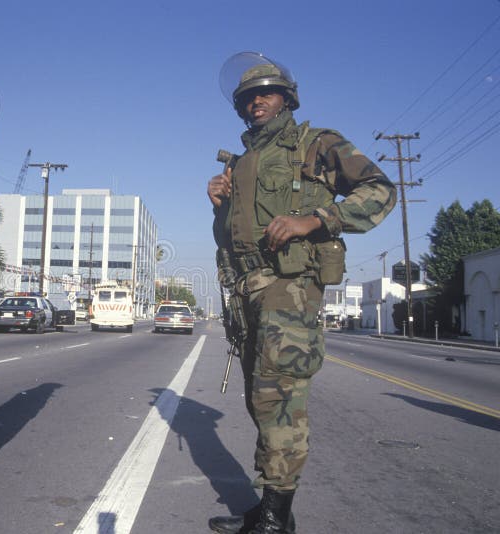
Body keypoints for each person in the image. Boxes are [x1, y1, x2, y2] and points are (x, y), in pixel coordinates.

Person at [207, 52, 396, 534]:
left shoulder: (315, 144)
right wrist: (219, 207)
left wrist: (315, 219)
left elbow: (379, 190)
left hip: (289, 289)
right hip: (249, 291)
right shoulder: (245, 161)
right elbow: (231, 239)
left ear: (286, 98)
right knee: (259, 397)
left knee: (279, 400)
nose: (256, 103)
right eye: (248, 97)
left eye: (266, 93)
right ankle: (273, 509)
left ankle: (274, 520)